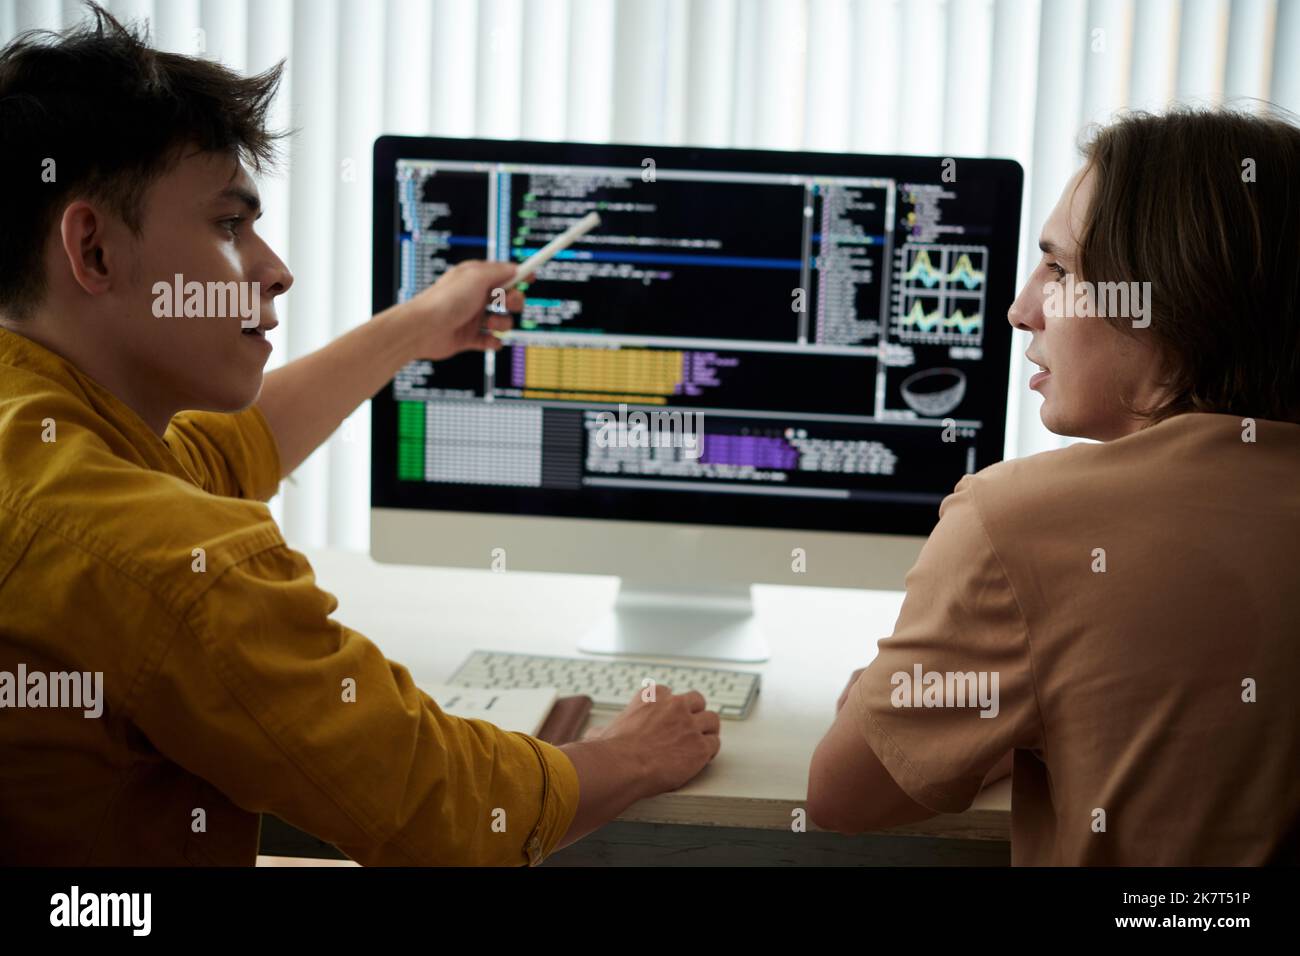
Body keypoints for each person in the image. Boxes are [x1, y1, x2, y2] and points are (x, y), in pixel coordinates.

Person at [0, 4, 719, 866]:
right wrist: (633, 754)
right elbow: (449, 808)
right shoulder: (159, 557)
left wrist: (420, 325)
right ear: (96, 251)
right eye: (230, 226)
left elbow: (217, 460)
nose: (275, 270)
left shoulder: (45, 441)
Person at [808, 106, 1300, 865]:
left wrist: (975, 710)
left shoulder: (1017, 520)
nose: (1020, 308)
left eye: (1062, 269)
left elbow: (843, 798)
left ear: (1175, 295)